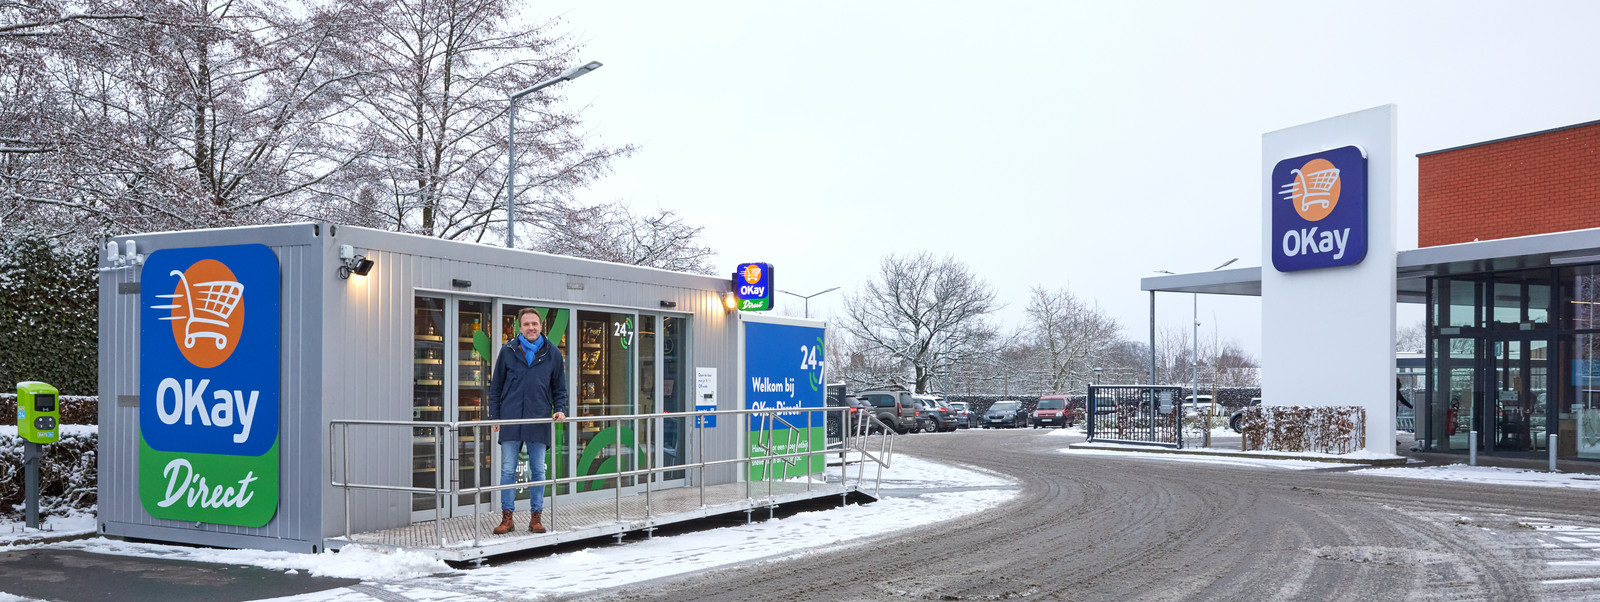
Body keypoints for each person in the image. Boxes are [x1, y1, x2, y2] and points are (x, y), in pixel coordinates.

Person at [487, 308, 567, 534]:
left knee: (538, 472)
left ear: (541, 326)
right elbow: (496, 388)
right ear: (519, 328)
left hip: (539, 419)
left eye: (534, 323)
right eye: (526, 324)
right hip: (511, 419)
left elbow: (560, 388)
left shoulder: (553, 354)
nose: (531, 327)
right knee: (507, 470)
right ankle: (507, 519)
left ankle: (536, 518)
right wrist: (495, 416)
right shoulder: (508, 351)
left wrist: (560, 409)